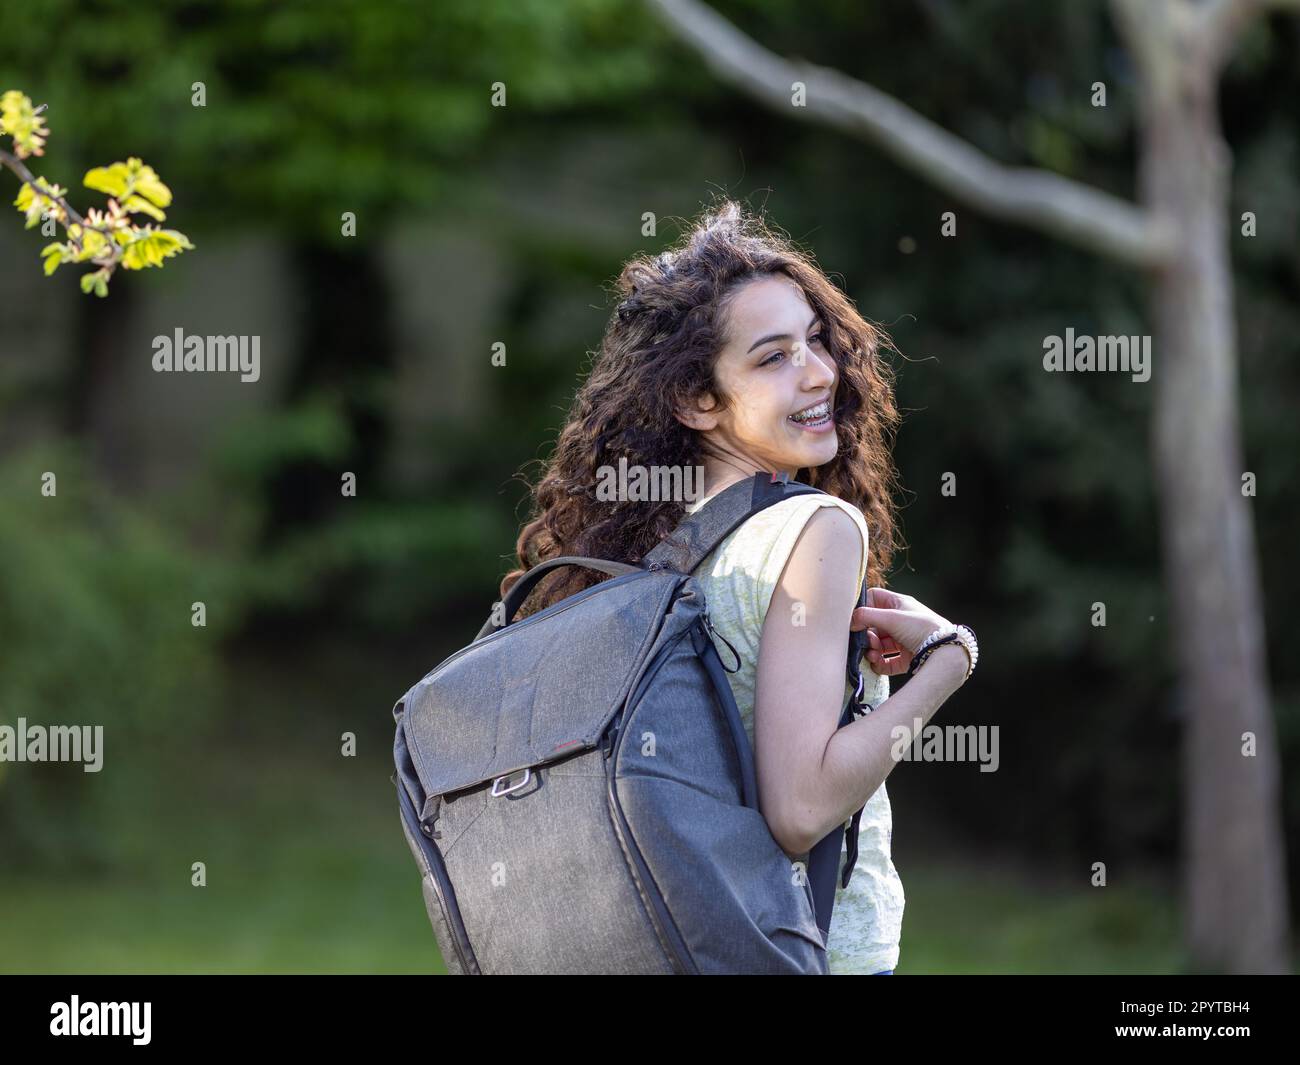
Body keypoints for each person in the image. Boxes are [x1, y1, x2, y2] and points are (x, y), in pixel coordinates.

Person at [503, 199, 975, 974]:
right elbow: (801, 808)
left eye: (815, 340)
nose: (820, 370)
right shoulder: (815, 528)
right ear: (698, 399)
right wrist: (949, 661)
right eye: (773, 357)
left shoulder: (653, 545)